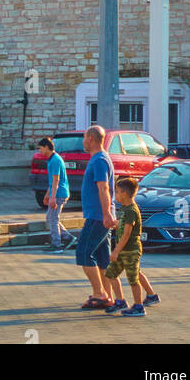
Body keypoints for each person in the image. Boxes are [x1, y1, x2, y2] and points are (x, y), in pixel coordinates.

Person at [103, 176, 160, 317]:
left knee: (133, 278)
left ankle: (138, 306)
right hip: (124, 251)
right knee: (111, 273)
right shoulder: (126, 209)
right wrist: (115, 223)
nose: (115, 195)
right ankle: (121, 301)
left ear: (124, 194)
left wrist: (115, 251)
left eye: (117, 192)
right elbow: (123, 224)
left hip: (130, 250)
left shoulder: (131, 211)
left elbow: (127, 234)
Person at [76, 124, 116, 309]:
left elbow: (103, 187)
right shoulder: (100, 158)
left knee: (84, 252)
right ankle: (106, 295)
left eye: (84, 137)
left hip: (98, 216)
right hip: (99, 215)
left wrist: (106, 213)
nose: (83, 141)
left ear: (90, 139)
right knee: (102, 257)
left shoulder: (99, 160)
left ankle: (99, 293)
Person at [38, 136, 75, 251]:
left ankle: (57, 244)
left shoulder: (55, 160)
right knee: (50, 217)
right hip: (57, 192)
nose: (40, 151)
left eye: (41, 148)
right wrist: (47, 194)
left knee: (53, 218)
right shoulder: (53, 159)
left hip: (59, 193)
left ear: (46, 147)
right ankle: (67, 237)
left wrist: (52, 197)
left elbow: (56, 180)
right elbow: (52, 181)